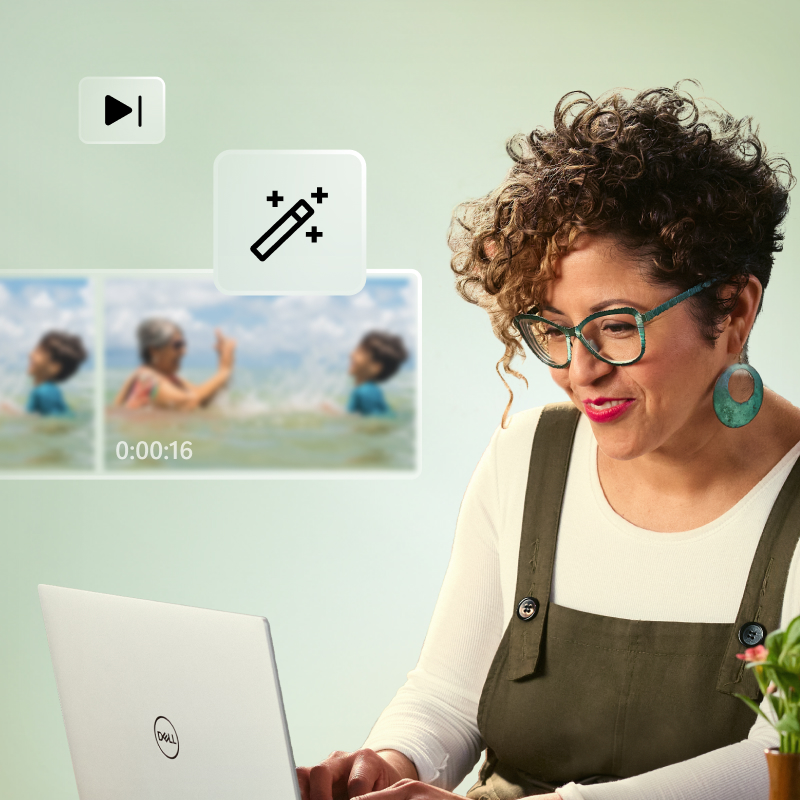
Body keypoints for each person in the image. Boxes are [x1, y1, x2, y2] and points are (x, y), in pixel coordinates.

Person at [297, 85, 800, 800]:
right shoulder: (527, 457)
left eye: (617, 326)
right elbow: (447, 696)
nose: (579, 371)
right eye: (553, 330)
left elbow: (776, 761)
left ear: (734, 309)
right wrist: (394, 762)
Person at [113, 318, 236, 411]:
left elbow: (203, 398)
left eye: (183, 345)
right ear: (154, 350)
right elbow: (190, 402)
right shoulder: (146, 379)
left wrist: (223, 360)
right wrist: (224, 370)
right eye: (178, 345)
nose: (184, 351)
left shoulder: (168, 378)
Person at [25, 331, 87, 416]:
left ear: (54, 367)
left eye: (39, 352)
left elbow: (55, 422)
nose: (31, 354)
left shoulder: (45, 391)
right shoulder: (45, 389)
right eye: (35, 349)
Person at [347, 331, 408, 416]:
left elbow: (375, 422)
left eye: (360, 352)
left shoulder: (365, 391)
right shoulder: (367, 390)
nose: (352, 354)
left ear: (375, 367)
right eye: (356, 349)